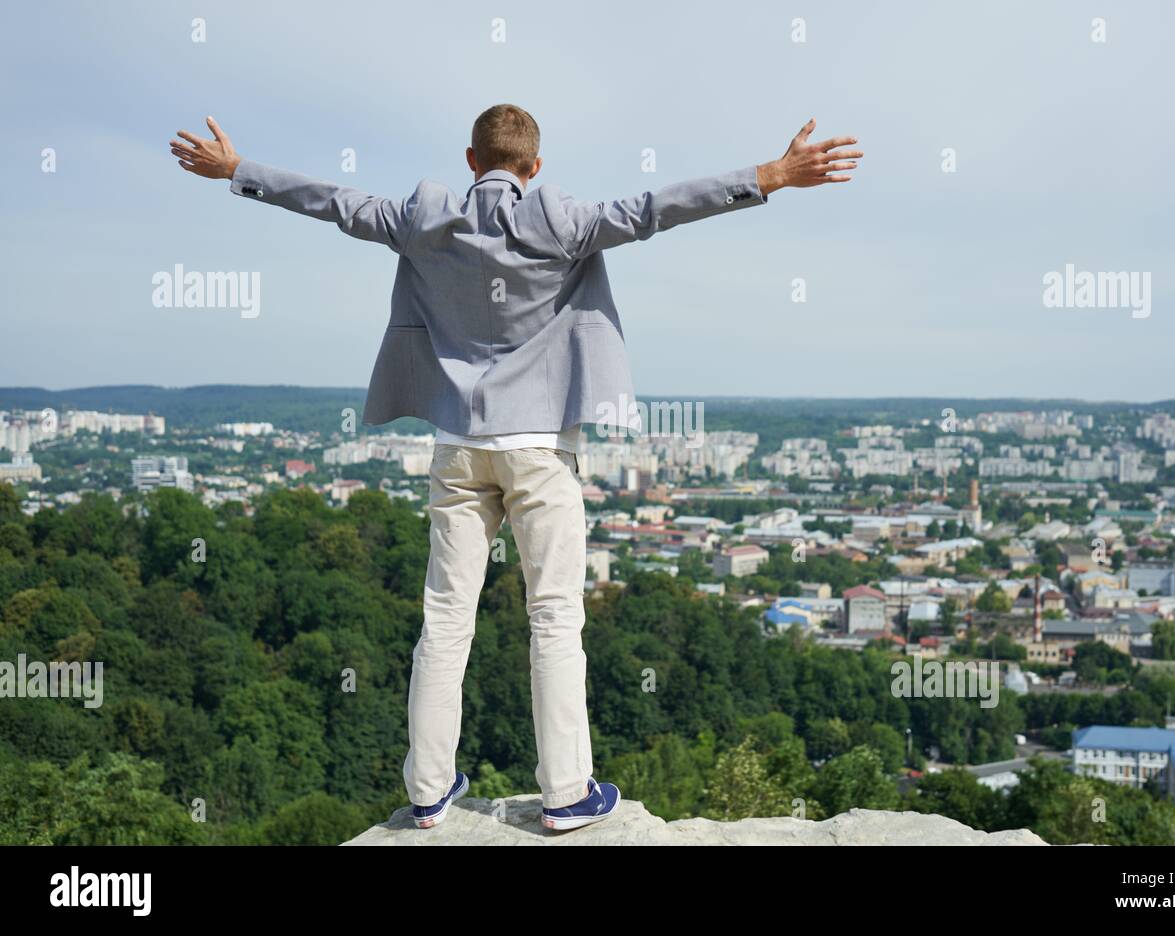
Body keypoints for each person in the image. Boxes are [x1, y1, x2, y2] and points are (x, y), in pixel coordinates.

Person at [170, 105, 860, 831]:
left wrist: (235, 170)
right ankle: (566, 795)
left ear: (472, 161)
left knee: (444, 618)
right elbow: (662, 207)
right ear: (534, 167)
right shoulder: (564, 220)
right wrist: (774, 176)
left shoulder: (423, 218)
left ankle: (429, 792)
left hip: (459, 443)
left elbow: (331, 203)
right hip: (538, 448)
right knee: (555, 618)